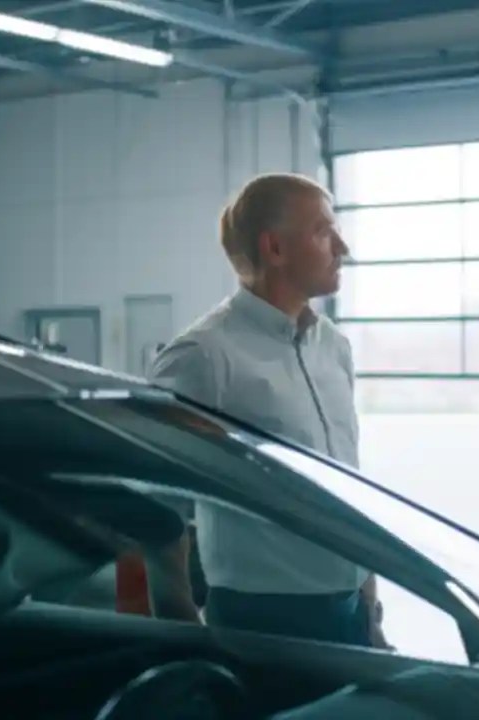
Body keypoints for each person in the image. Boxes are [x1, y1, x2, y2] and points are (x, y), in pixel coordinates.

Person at [148, 173, 385, 648]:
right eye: (323, 231)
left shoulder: (333, 347)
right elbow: (158, 502)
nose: (343, 247)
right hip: (259, 618)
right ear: (275, 249)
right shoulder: (203, 356)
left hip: (350, 608)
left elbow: (348, 479)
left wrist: (369, 609)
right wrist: (181, 633)